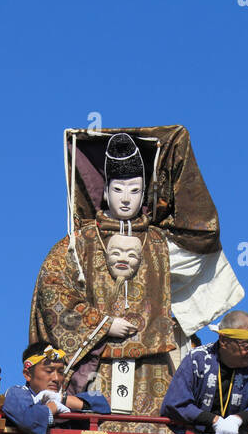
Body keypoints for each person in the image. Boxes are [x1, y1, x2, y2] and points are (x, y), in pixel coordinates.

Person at [30, 132, 176, 417]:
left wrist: (177, 142)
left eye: (134, 191)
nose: (125, 200)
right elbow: (52, 289)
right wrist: (102, 323)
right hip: (98, 358)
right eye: (118, 190)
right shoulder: (79, 241)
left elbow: (204, 237)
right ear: (105, 192)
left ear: (144, 194)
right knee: (96, 423)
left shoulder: (160, 242)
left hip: (152, 364)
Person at [161, 310, 248, 434]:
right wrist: (215, 421)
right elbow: (175, 404)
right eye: (246, 345)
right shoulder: (197, 359)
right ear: (223, 340)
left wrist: (237, 420)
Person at [2, 342, 110, 434]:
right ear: (28, 374)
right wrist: (52, 408)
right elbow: (29, 420)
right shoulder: (16, 393)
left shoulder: (63, 400)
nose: (56, 378)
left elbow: (104, 408)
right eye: (49, 371)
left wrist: (62, 399)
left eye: (61, 372)